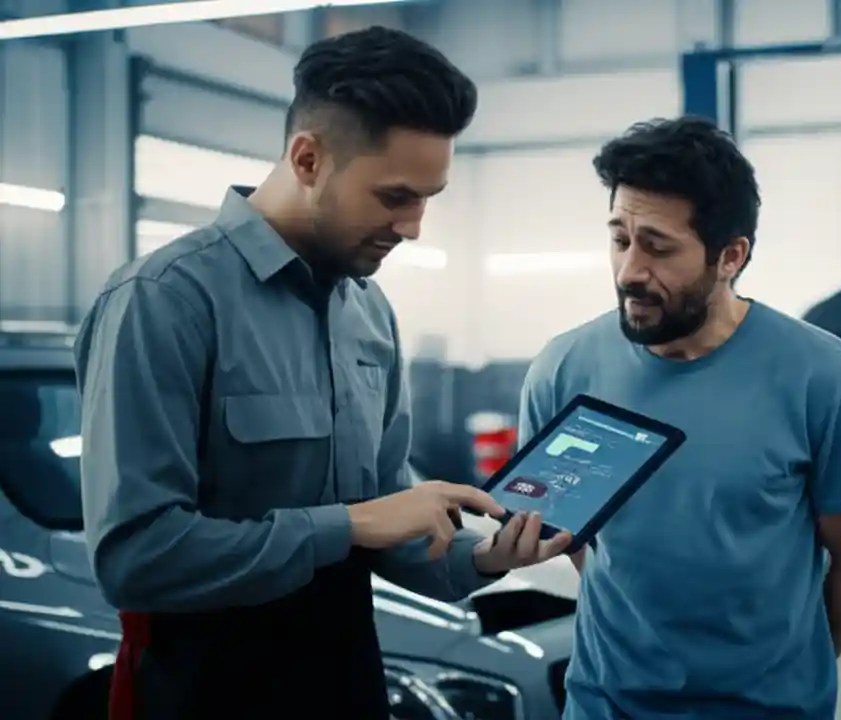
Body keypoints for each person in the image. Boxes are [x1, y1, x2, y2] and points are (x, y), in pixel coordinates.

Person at [74, 26, 571, 720]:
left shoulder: (367, 311)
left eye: (428, 197)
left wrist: (483, 555)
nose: (414, 226)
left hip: (345, 685)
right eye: (395, 195)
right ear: (307, 158)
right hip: (205, 696)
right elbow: (136, 557)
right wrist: (348, 524)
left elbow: (388, 510)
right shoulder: (165, 301)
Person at [517, 116, 841, 719]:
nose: (629, 272)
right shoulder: (564, 370)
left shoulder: (822, 376)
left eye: (658, 247)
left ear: (730, 256)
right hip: (606, 706)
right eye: (619, 239)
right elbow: (572, 535)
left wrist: (793, 669)